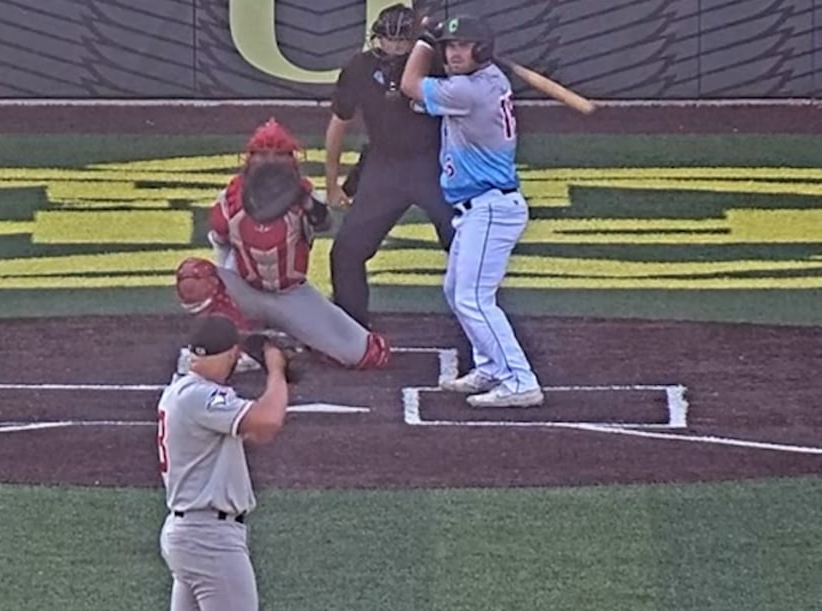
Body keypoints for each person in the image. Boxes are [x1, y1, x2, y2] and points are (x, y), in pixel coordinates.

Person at [153, 313, 296, 611]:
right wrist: (276, 371)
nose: (238, 363)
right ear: (214, 357)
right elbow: (267, 421)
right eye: (233, 356)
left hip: (189, 531)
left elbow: (252, 429)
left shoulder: (180, 391)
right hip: (210, 537)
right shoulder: (198, 396)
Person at [401, 16, 544, 408]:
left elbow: (409, 85)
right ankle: (493, 367)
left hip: (491, 208)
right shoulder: (488, 80)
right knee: (457, 291)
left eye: (463, 46)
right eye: (449, 46)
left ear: (481, 50)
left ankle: (520, 379)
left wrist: (425, 39)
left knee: (474, 299)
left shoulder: (468, 91)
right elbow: (420, 96)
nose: (453, 53)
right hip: (481, 207)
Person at [173, 117, 391, 374]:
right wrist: (228, 297)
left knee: (369, 354)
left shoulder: (306, 197)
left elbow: (324, 224)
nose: (270, 162)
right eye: (263, 155)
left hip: (291, 295)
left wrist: (306, 202)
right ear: (250, 158)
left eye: (278, 154)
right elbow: (220, 244)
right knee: (194, 276)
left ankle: (301, 338)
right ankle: (233, 346)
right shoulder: (230, 199)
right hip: (246, 287)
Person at [325, 2, 454, 328]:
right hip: (384, 164)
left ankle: (479, 332)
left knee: (465, 249)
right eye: (390, 40)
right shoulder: (358, 67)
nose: (396, 48)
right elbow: (339, 122)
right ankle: (351, 333)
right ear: (376, 38)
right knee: (347, 251)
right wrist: (331, 182)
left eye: (403, 41)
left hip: (433, 163)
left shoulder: (438, 62)